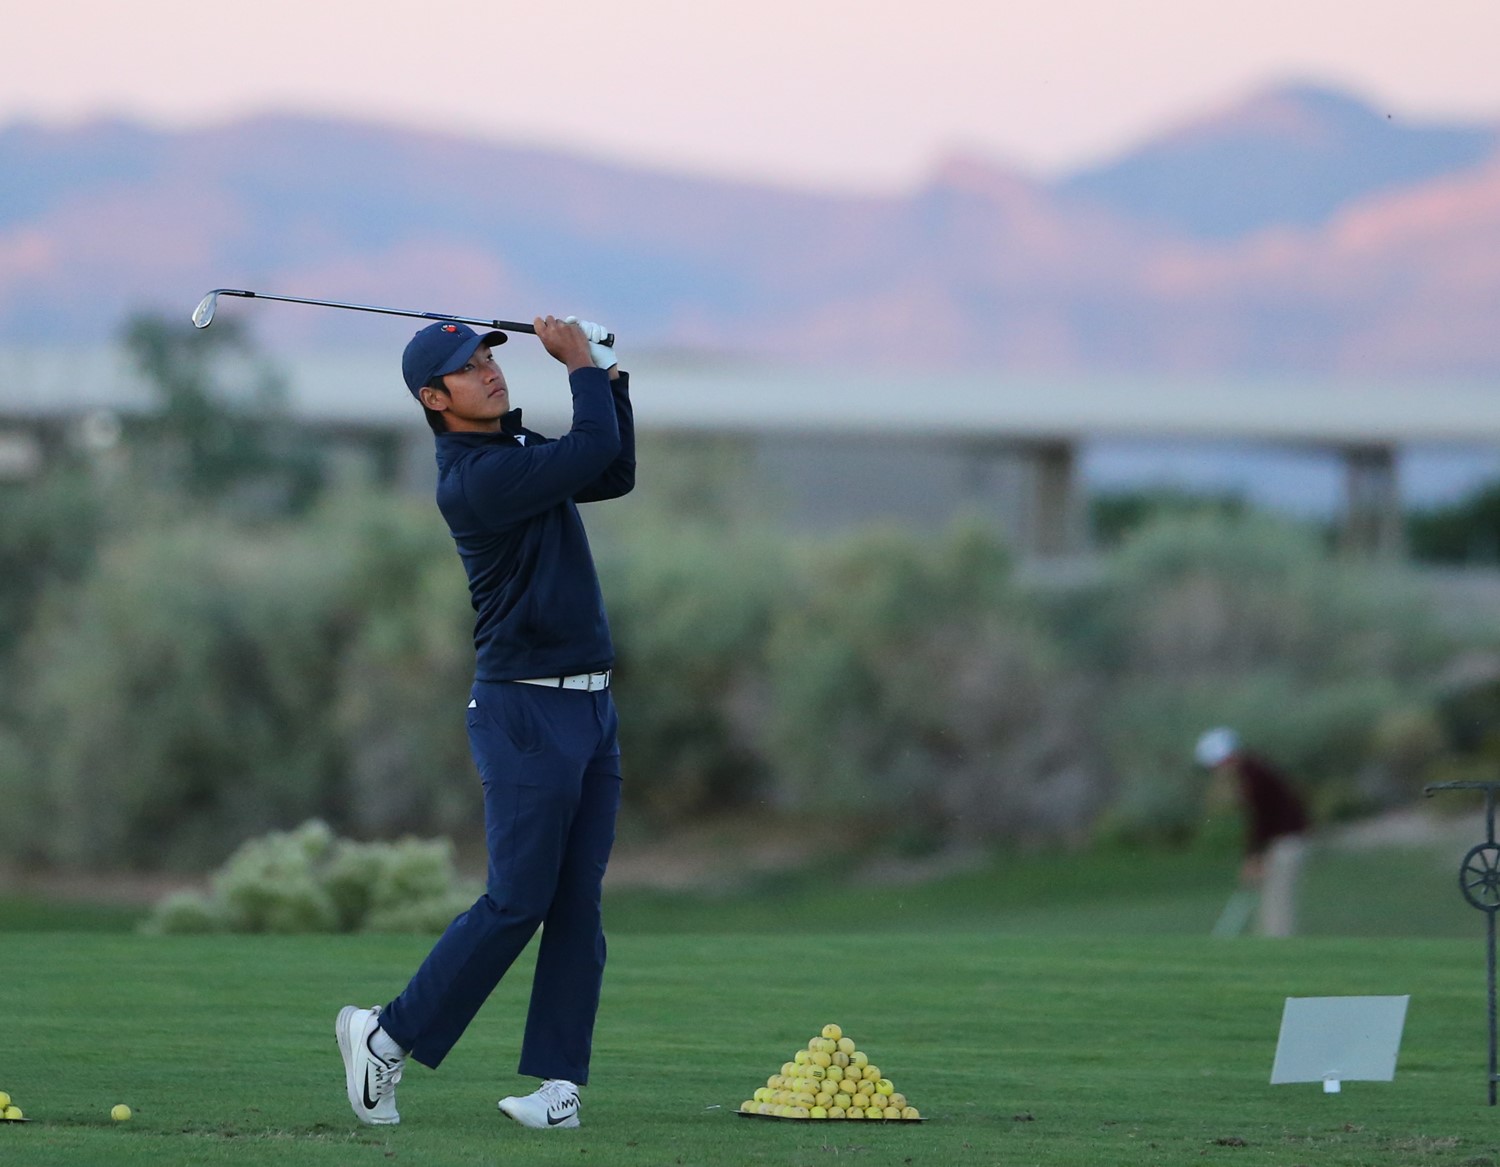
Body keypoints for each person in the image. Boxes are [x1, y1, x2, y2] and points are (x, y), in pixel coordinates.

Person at [337, 314, 634, 1131]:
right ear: (435, 398)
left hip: (590, 705)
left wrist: (607, 374)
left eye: (487, 359)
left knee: (577, 903)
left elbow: (609, 469)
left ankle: (557, 1087)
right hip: (524, 708)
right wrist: (577, 364)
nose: (490, 372)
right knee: (516, 899)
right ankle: (385, 1034)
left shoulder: (512, 453)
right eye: (467, 370)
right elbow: (585, 453)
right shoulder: (473, 479)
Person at [1195, 727, 1310, 938]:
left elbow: (1261, 820)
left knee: (1277, 900)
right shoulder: (1253, 770)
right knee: (1271, 900)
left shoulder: (1252, 775)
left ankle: (1278, 951)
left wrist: (1253, 858)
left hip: (1285, 841)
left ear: (1225, 759)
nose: (1217, 772)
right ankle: (1270, 945)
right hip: (1283, 839)